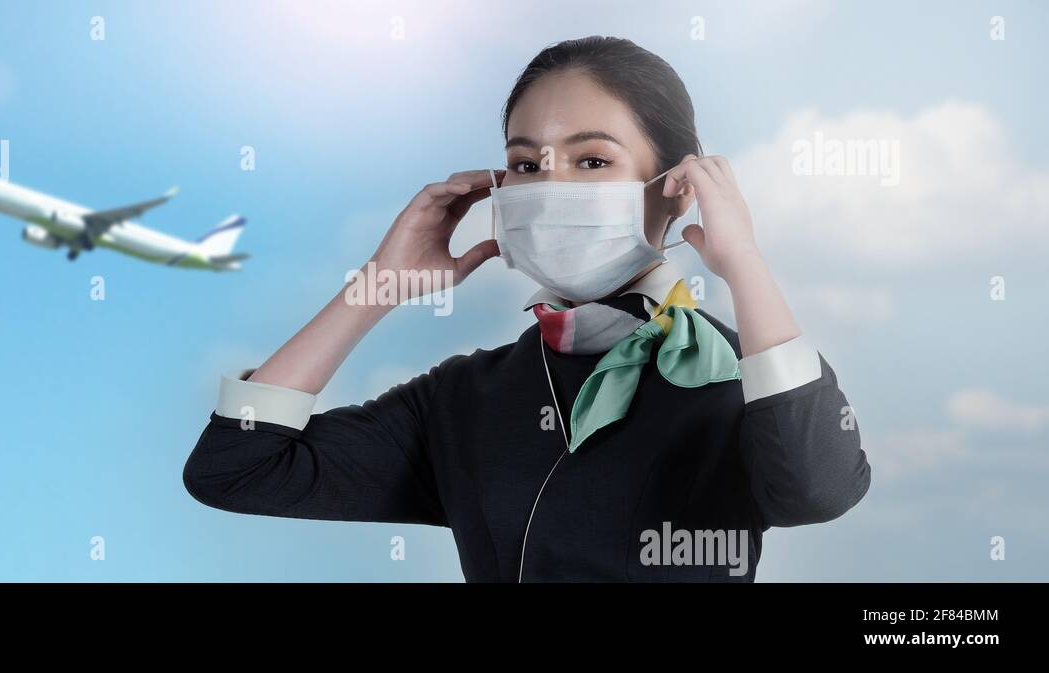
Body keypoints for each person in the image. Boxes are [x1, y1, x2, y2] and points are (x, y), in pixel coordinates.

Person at [184, 36, 871, 582]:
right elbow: (235, 467)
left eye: (592, 161)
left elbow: (820, 490)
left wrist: (744, 264)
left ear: (679, 188)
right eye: (526, 165)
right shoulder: (462, 397)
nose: (551, 187)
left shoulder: (741, 374)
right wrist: (377, 286)